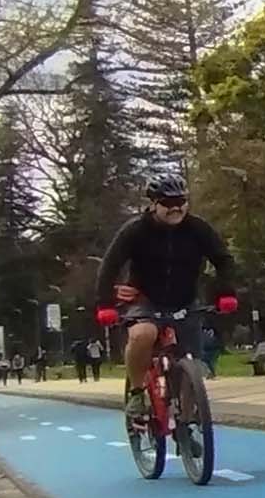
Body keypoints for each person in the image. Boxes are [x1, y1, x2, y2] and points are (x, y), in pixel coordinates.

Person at [93, 171, 239, 424]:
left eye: (181, 201)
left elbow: (224, 260)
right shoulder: (135, 230)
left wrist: (226, 292)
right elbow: (109, 266)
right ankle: (137, 392)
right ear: (153, 204)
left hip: (185, 300)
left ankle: (187, 422)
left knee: (192, 368)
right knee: (143, 334)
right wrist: (105, 303)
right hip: (146, 299)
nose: (176, 208)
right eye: (168, 203)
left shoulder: (198, 229)